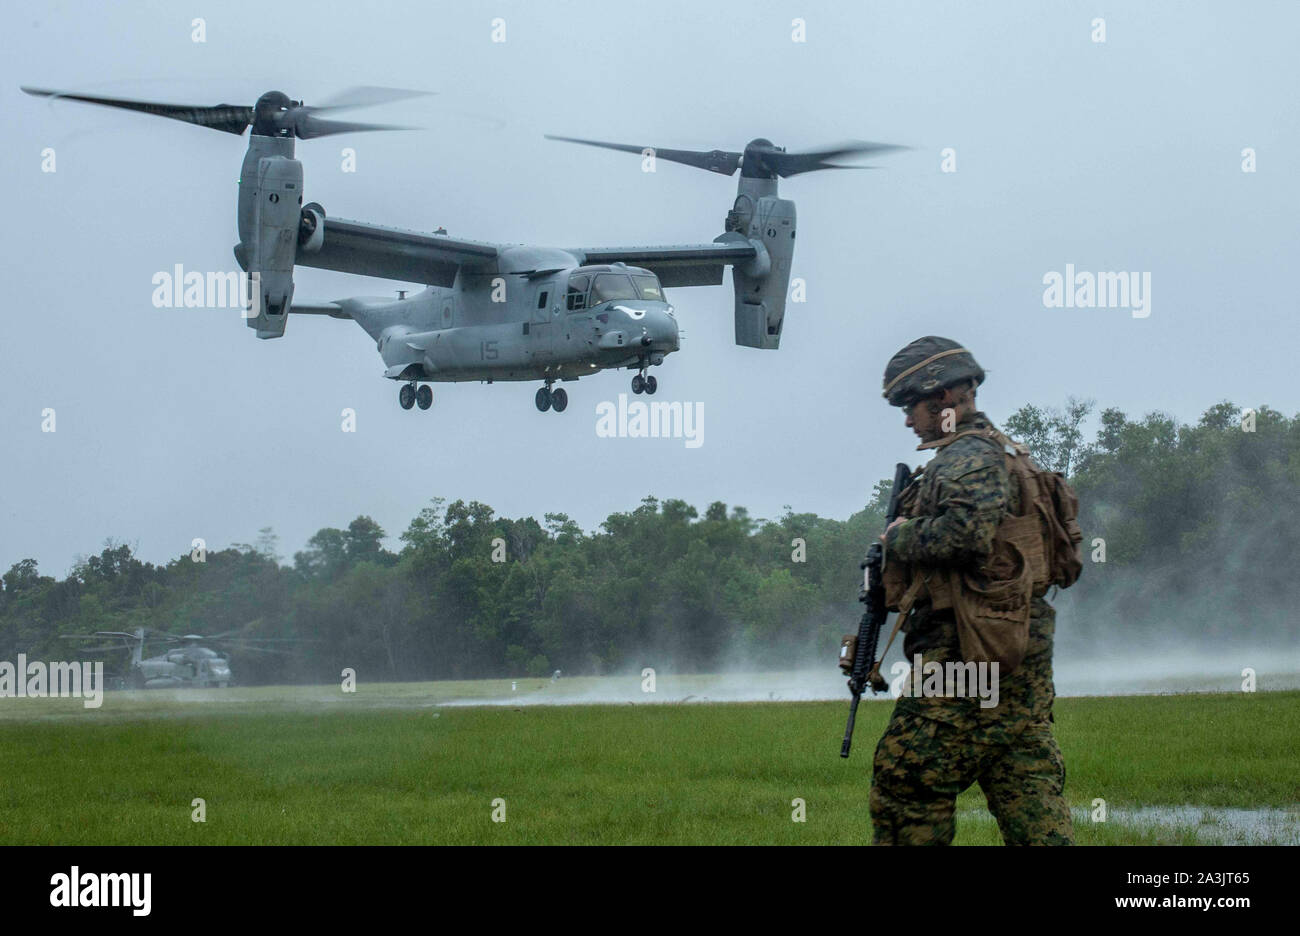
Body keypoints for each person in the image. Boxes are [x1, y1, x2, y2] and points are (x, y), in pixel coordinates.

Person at [869, 336, 1074, 846]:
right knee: (1024, 784)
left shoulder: (967, 458)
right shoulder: (1005, 453)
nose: (906, 420)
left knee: (906, 781)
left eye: (908, 406)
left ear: (940, 398)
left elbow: (966, 533)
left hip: (967, 652)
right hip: (1016, 650)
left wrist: (899, 536)